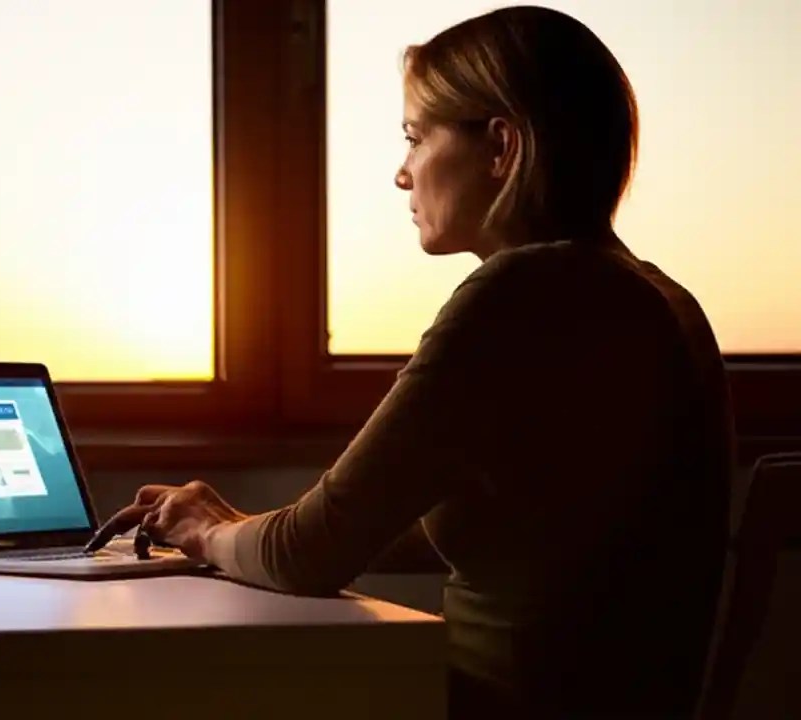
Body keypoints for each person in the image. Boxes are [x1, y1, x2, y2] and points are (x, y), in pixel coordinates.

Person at [90, 5, 734, 718]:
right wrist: (242, 527)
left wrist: (206, 531)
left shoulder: (518, 295)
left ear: (501, 147)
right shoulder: (663, 300)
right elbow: (492, 533)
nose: (403, 175)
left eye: (416, 137)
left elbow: (310, 555)